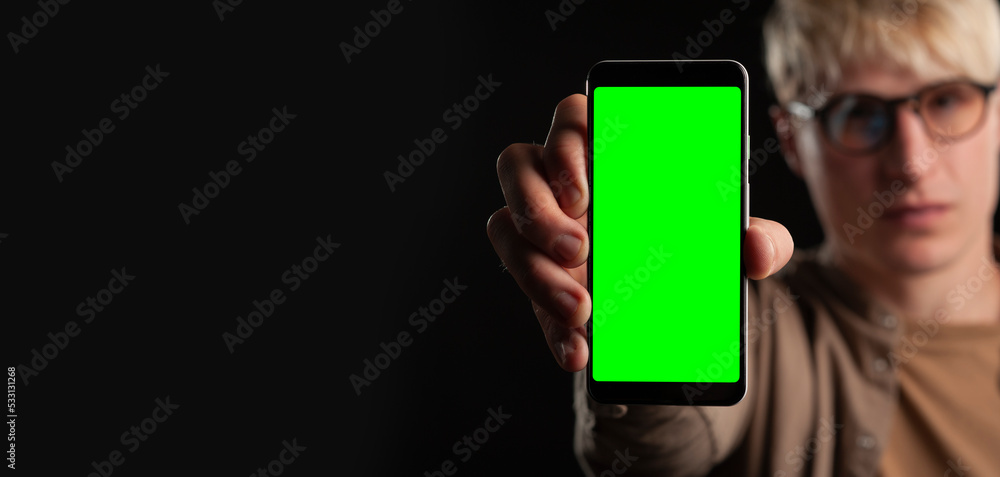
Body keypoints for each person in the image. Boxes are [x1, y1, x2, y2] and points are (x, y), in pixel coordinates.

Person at [486, 0, 1000, 475]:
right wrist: (639, 294)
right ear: (792, 141)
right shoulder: (748, 322)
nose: (911, 163)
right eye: (858, 113)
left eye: (946, 100)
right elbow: (652, 451)